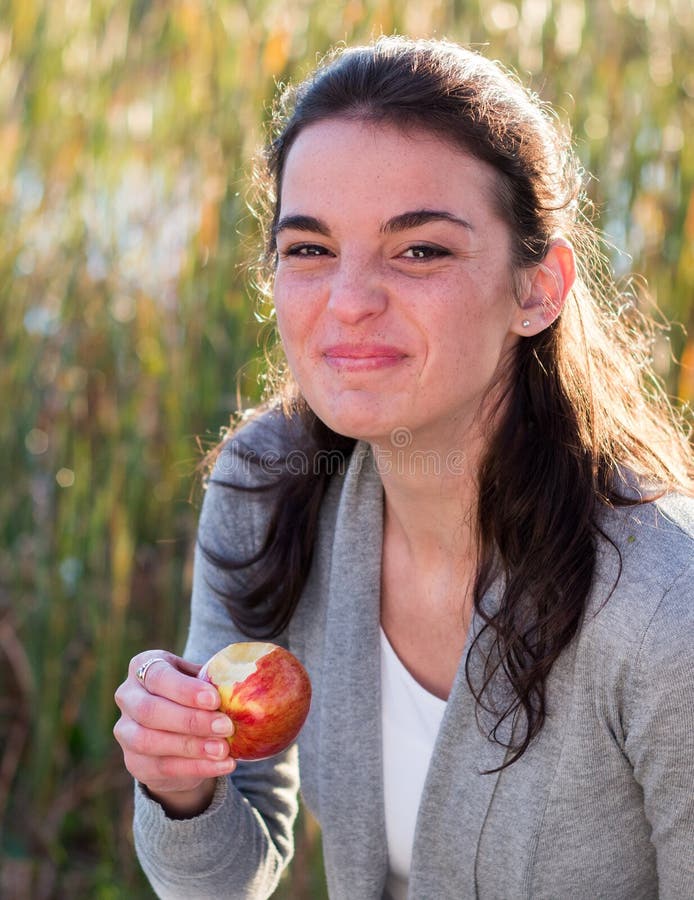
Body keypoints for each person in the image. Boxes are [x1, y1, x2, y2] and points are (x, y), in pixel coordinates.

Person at [113, 36, 694, 900]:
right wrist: (181, 782)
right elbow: (220, 878)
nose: (348, 301)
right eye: (309, 249)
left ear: (538, 289)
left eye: (419, 250)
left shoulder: (659, 606)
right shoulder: (267, 486)